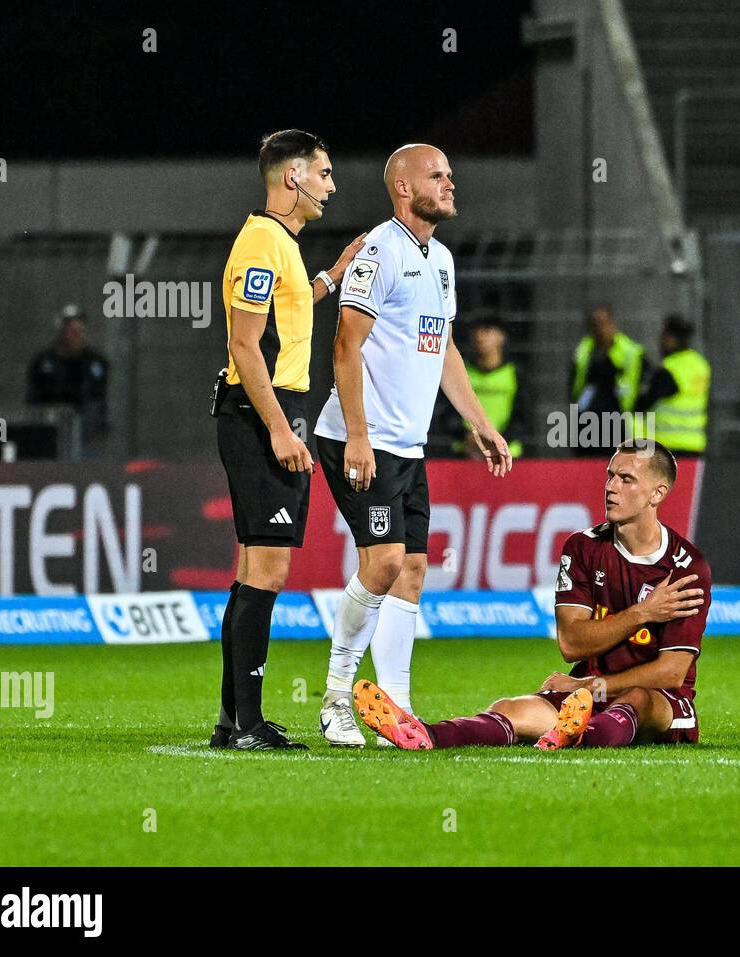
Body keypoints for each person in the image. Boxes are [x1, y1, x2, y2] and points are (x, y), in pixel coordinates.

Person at [314, 143, 512, 748]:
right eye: (437, 175)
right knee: (384, 563)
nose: (450, 183)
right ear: (403, 188)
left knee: (414, 569)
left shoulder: (443, 260)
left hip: (407, 445)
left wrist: (479, 421)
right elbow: (345, 346)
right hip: (359, 440)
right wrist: (358, 434)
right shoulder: (381, 250)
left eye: (451, 173)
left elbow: (443, 348)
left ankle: (396, 706)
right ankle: (335, 698)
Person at [351, 440, 711, 752]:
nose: (611, 487)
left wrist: (589, 686)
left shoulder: (686, 567)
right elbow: (572, 643)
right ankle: (426, 734)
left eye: (626, 479)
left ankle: (578, 734)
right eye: (610, 475)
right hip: (586, 696)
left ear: (658, 493)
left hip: (659, 702)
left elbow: (670, 673)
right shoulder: (583, 547)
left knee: (636, 701)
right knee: (509, 709)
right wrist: (642, 614)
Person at [211, 129, 364, 751]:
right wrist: (279, 429)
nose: (331, 185)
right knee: (268, 568)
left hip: (273, 408)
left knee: (254, 568)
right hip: (260, 412)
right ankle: (247, 724)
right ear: (293, 178)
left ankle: (235, 721)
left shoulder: (281, 245)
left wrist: (332, 275)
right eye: (323, 173)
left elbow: (289, 314)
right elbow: (245, 346)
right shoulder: (261, 243)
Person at [443, 316, 527, 459]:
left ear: (501, 336)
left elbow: (523, 415)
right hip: (465, 452)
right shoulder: (462, 371)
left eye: (487, 330)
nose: (480, 336)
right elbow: (447, 410)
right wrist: (466, 436)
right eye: (477, 331)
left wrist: (498, 440)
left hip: (508, 454)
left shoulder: (514, 372)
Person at [25, 305, 110, 444]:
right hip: (51, 433)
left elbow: (100, 397)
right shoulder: (43, 362)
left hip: (87, 434)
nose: (77, 336)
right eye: (72, 331)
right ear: (62, 332)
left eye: (80, 331)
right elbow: (34, 399)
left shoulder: (94, 362)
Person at [635, 313, 710, 455]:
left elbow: (643, 404)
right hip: (694, 443)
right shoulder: (700, 364)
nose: (660, 342)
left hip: (669, 445)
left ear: (671, 338)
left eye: (663, 336)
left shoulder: (670, 369)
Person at [569, 306, 645, 435]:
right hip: (587, 425)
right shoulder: (583, 352)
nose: (600, 329)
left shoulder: (630, 352)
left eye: (604, 323)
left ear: (612, 323)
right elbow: (575, 386)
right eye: (595, 325)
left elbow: (640, 392)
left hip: (620, 424)